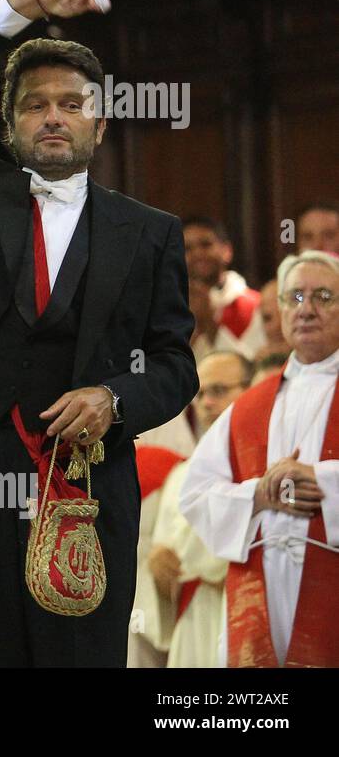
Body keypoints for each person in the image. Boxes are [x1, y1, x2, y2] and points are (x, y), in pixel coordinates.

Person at [0, 0, 197, 667]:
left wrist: (115, 397)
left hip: (88, 479)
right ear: (9, 124)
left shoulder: (150, 232)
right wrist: (28, 3)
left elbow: (176, 363)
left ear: (101, 121)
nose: (52, 116)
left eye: (70, 103)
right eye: (33, 105)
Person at [181, 251, 339, 667]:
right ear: (282, 311)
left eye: (324, 296)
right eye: (295, 298)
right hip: (260, 590)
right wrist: (257, 496)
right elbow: (195, 495)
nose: (307, 309)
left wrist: (319, 480)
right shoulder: (248, 407)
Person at [148, 351, 249, 667]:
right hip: (193, 621)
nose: (206, 403)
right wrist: (159, 569)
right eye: (200, 394)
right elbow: (169, 571)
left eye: (218, 391)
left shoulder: (269, 469)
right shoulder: (181, 475)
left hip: (245, 614)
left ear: (251, 390)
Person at [184, 217, 265, 360]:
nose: (197, 254)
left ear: (227, 251)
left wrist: (209, 323)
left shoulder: (256, 305)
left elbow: (252, 367)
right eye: (187, 248)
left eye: (206, 244)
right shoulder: (164, 307)